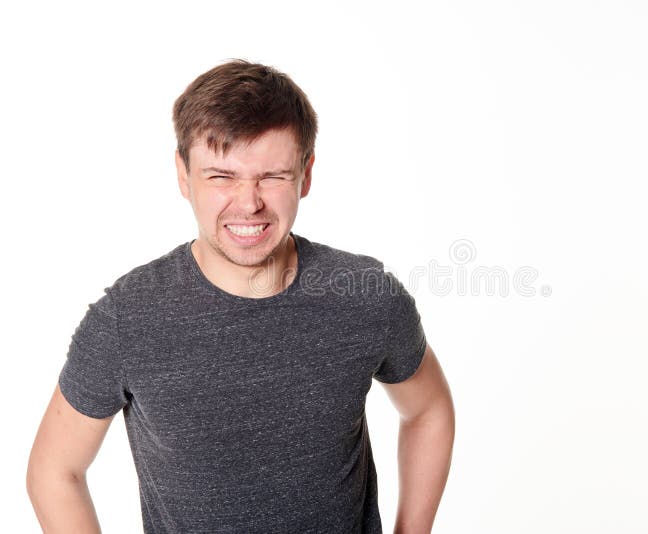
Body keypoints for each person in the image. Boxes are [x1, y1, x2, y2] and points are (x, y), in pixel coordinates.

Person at [26, 60, 455, 533]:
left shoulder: (368, 298)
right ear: (184, 176)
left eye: (272, 176)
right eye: (222, 176)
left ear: (305, 175)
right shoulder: (127, 319)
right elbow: (54, 471)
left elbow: (429, 409)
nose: (248, 202)